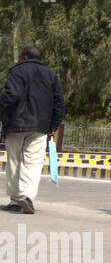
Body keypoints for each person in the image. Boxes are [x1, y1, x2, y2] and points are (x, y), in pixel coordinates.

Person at [0, 45, 65, 215]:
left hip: (15, 124)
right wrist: (53, 126)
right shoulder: (51, 74)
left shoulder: (17, 71)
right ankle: (27, 196)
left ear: (24, 57)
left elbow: (11, 96)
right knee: (33, 162)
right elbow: (59, 102)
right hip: (40, 127)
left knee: (14, 161)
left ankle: (15, 200)